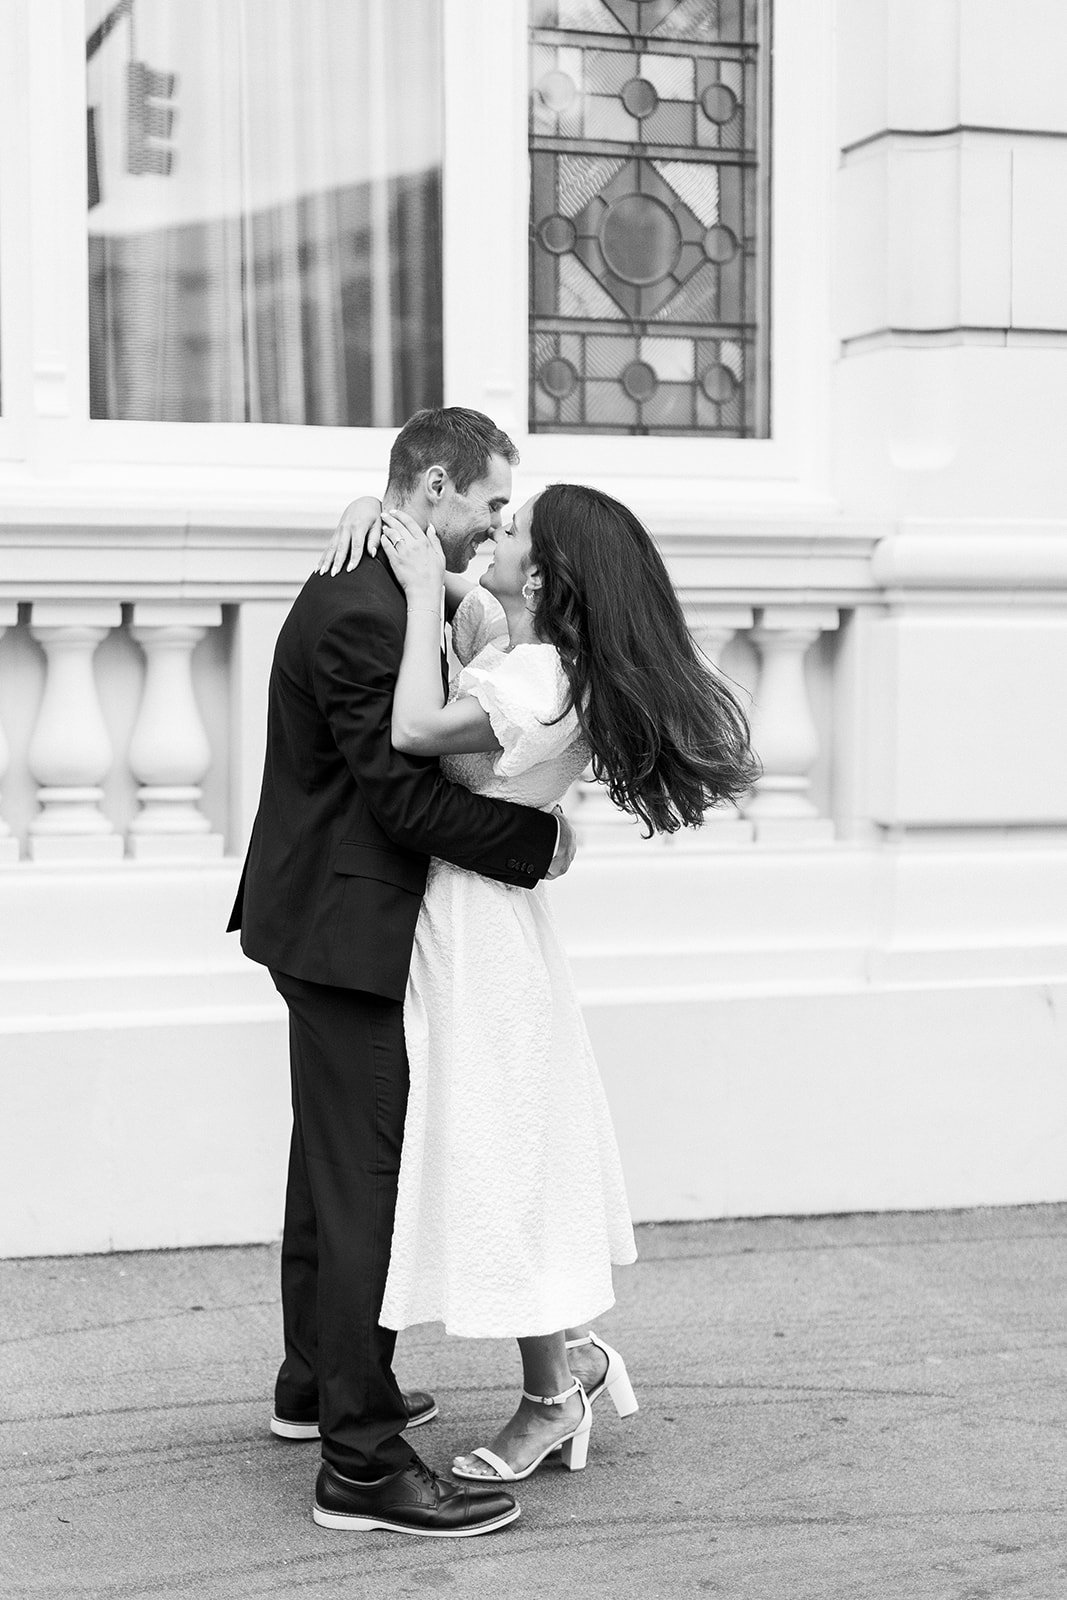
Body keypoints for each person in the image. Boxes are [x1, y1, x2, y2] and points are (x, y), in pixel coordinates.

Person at [320, 480, 757, 1483]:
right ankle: (573, 1363)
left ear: (545, 577)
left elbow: (413, 732)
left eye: (512, 529)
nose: (495, 529)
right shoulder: (517, 643)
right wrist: (366, 510)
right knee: (495, 1148)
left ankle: (551, 1399)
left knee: (498, 1154)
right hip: (471, 918)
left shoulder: (540, 675)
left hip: (479, 932)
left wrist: (422, 592)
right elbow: (435, 569)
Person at [228, 408, 578, 1539]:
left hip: (331, 920)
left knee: (325, 1172)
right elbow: (400, 798)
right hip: (343, 930)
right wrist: (537, 844)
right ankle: (364, 1464)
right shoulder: (363, 607)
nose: (495, 524)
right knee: (361, 1188)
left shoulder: (388, 581)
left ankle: (312, 1387)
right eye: (489, 502)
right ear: (434, 488)